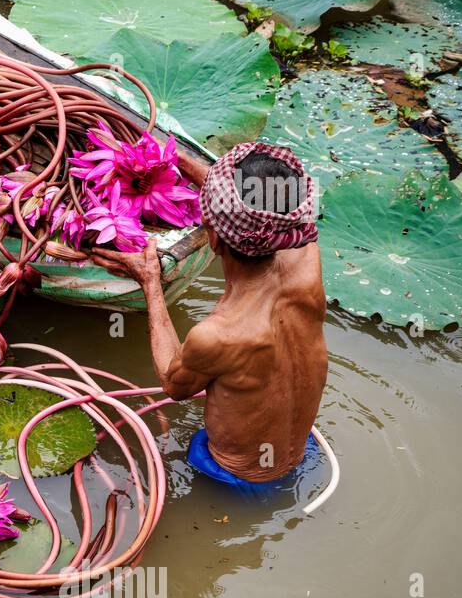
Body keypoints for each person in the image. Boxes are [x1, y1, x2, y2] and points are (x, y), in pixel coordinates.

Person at [90, 142, 327, 487]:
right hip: (301, 452)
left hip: (234, 475)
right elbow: (259, 217)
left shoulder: (217, 335)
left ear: (214, 239)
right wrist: (179, 161)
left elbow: (173, 386)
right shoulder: (307, 260)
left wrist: (150, 281)